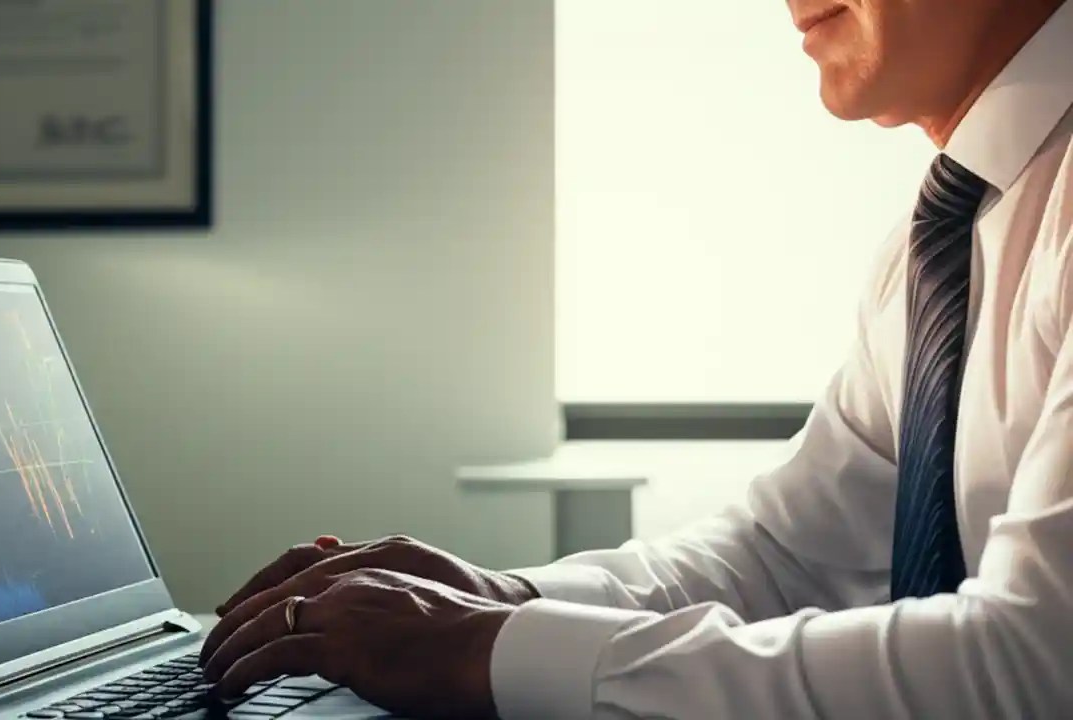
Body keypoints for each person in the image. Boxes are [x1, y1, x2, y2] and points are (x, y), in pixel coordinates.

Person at [199, 0, 1073, 716]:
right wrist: (504, 597)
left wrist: (486, 650)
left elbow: (1039, 662)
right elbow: (785, 557)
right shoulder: (941, 238)